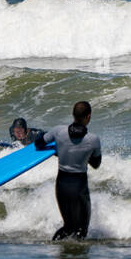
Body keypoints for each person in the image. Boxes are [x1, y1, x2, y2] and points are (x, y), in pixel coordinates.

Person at [34, 101, 102, 240]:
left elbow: (39, 143)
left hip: (62, 184)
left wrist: (59, 149)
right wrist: (84, 152)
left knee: (68, 227)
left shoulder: (58, 131)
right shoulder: (93, 139)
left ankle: (56, 251)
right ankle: (78, 258)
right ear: (88, 117)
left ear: (73, 115)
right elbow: (96, 164)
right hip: (79, 187)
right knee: (81, 231)